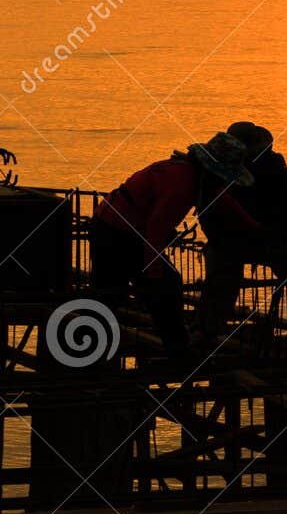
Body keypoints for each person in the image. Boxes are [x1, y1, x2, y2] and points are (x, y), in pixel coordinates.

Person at [90, 132, 255, 356]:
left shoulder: (193, 175)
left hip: (120, 227)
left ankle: (94, 350)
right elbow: (155, 230)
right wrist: (154, 272)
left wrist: (254, 227)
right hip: (115, 231)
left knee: (115, 294)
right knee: (149, 288)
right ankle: (177, 350)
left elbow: (223, 201)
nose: (225, 183)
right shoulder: (182, 184)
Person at [191, 121, 287, 349]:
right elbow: (207, 209)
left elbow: (279, 215)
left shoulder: (270, 166)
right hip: (231, 239)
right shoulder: (218, 168)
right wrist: (221, 238)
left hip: (268, 238)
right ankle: (204, 334)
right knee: (221, 281)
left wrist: (265, 236)